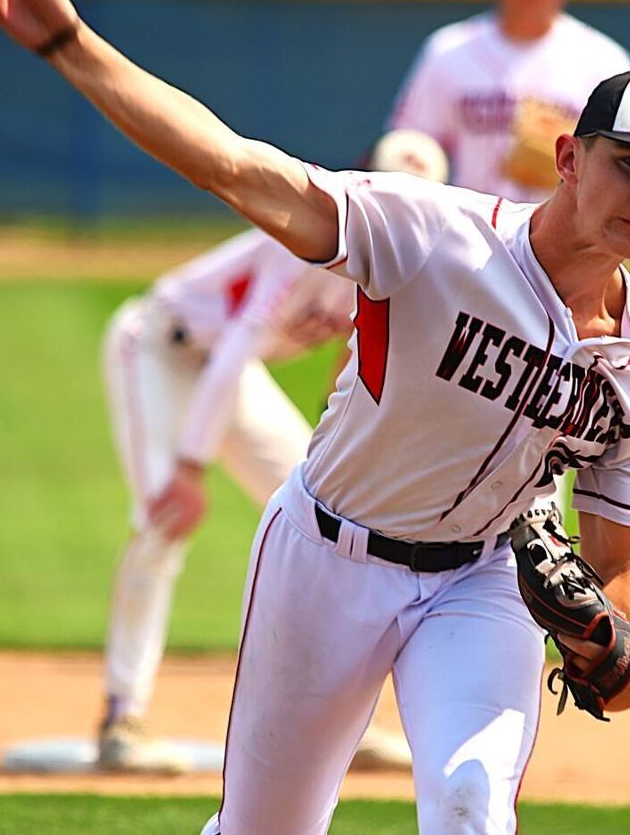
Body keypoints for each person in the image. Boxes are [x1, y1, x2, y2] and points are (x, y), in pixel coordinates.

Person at [0, 0, 630, 834]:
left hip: (482, 582)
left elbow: (622, 567)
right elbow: (235, 169)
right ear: (569, 158)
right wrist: (70, 46)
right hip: (326, 556)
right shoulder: (431, 234)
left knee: (471, 805)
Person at [95, 130, 447, 775]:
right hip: (159, 348)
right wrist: (190, 469)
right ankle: (123, 717)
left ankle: (339, 722)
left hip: (230, 371)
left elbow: (356, 364)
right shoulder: (311, 244)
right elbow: (234, 346)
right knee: (162, 520)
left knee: (328, 525)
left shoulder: (412, 264)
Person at [389, 0, 630, 204]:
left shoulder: (604, 61)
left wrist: (575, 160)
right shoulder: (448, 51)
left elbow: (625, 162)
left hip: (564, 237)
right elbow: (411, 147)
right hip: (468, 232)